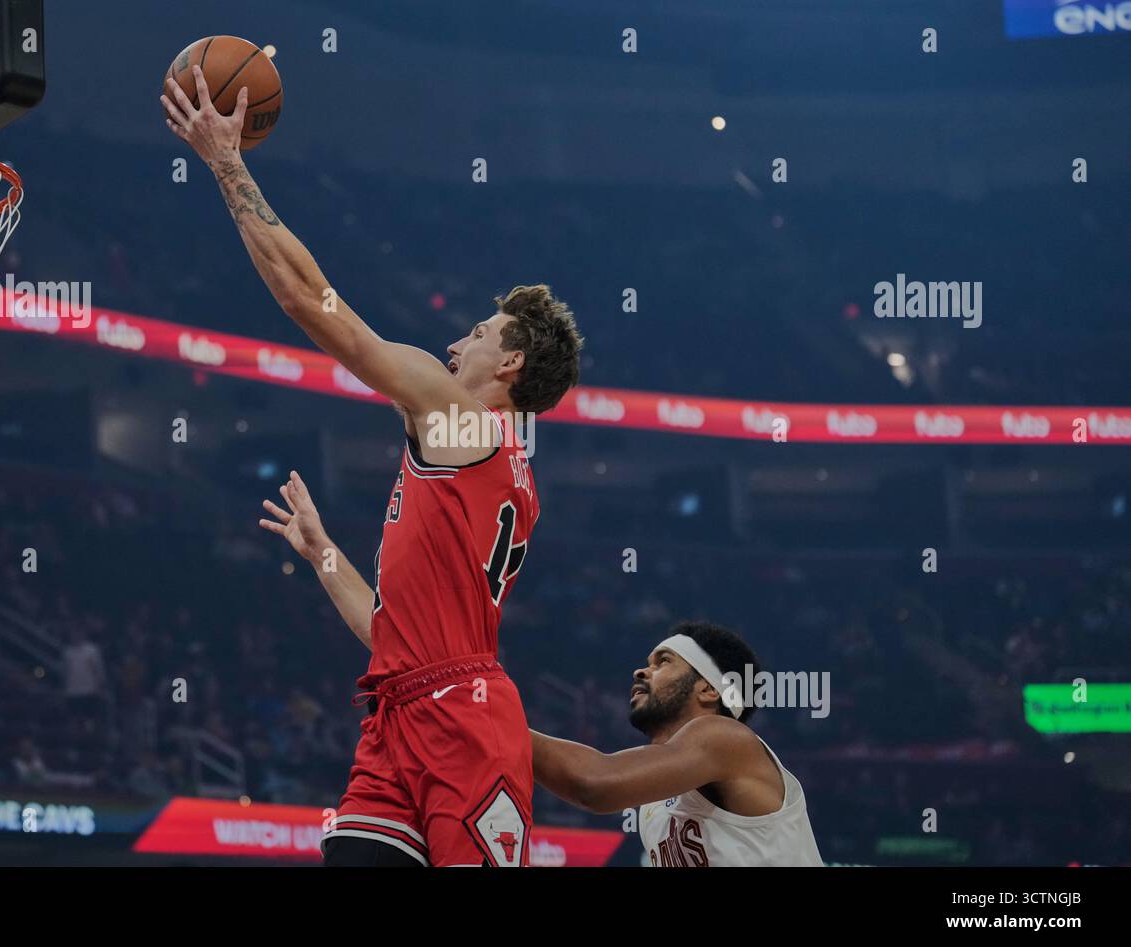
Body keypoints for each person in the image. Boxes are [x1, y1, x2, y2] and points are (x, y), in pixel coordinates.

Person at [165, 66, 582, 866]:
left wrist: (227, 163)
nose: (457, 343)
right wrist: (324, 554)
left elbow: (312, 304)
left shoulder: (464, 419)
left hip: (464, 721)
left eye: (479, 334)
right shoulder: (493, 462)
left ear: (511, 365)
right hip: (402, 709)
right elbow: (398, 635)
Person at [531, 622, 824, 866]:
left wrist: (499, 727)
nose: (641, 672)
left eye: (664, 662)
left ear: (708, 689)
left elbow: (594, 784)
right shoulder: (654, 803)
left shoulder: (725, 738)